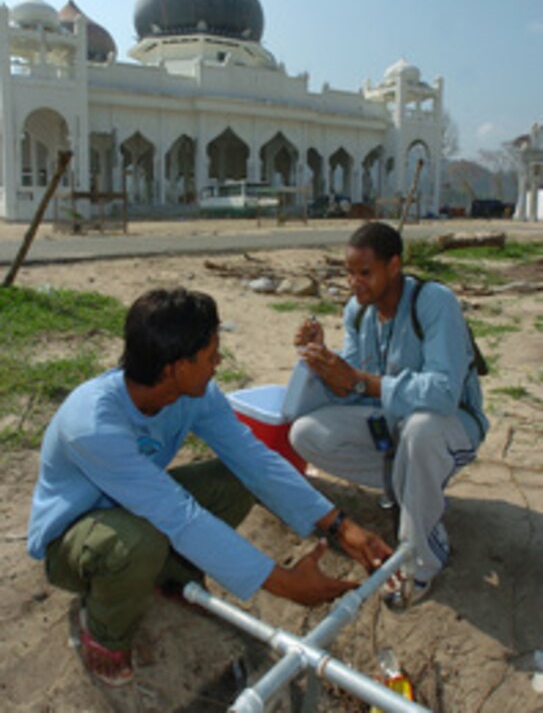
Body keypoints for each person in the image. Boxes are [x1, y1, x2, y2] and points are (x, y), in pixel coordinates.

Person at [27, 286, 391, 687]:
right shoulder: (94, 424)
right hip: (74, 539)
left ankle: (171, 578)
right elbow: (179, 516)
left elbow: (254, 459)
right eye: (210, 354)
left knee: (235, 478)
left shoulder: (192, 394)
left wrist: (340, 525)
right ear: (174, 367)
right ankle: (103, 631)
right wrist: (285, 583)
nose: (219, 362)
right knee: (136, 542)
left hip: (137, 508)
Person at [289, 221, 488, 610]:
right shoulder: (359, 314)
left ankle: (422, 559)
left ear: (394, 266)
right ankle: (408, 488)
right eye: (349, 273)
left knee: (421, 428)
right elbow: (354, 389)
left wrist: (363, 381)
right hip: (393, 426)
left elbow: (445, 394)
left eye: (365, 273)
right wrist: (325, 363)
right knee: (306, 433)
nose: (354, 283)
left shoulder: (433, 303)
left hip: (451, 427)